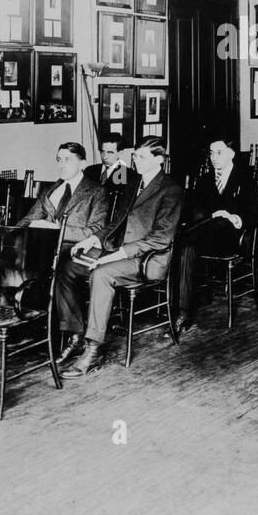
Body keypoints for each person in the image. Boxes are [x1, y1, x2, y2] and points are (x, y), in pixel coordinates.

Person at [61, 138, 184, 377]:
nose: (135, 161)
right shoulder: (134, 183)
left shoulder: (172, 190)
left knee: (101, 273)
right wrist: (93, 239)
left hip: (149, 259)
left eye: (142, 157)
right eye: (135, 156)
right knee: (68, 267)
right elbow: (117, 222)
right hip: (117, 249)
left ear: (159, 159)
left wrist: (112, 257)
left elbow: (160, 239)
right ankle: (75, 333)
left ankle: (94, 349)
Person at [28, 143, 111, 367]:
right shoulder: (51, 190)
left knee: (60, 270)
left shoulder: (96, 191)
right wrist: (2, 241)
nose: (62, 164)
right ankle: (17, 328)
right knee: (8, 265)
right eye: (59, 159)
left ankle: (74, 336)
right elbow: (28, 220)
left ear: (82, 163)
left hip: (74, 249)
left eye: (68, 159)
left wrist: (57, 229)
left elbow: (96, 229)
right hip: (43, 249)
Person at [175, 137, 258, 328]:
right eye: (211, 153)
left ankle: (176, 240)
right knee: (187, 248)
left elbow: (253, 215)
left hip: (232, 238)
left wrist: (231, 217)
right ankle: (182, 312)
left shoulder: (245, 178)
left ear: (231, 154)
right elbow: (193, 211)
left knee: (219, 220)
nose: (214, 157)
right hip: (204, 236)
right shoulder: (204, 180)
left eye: (219, 152)